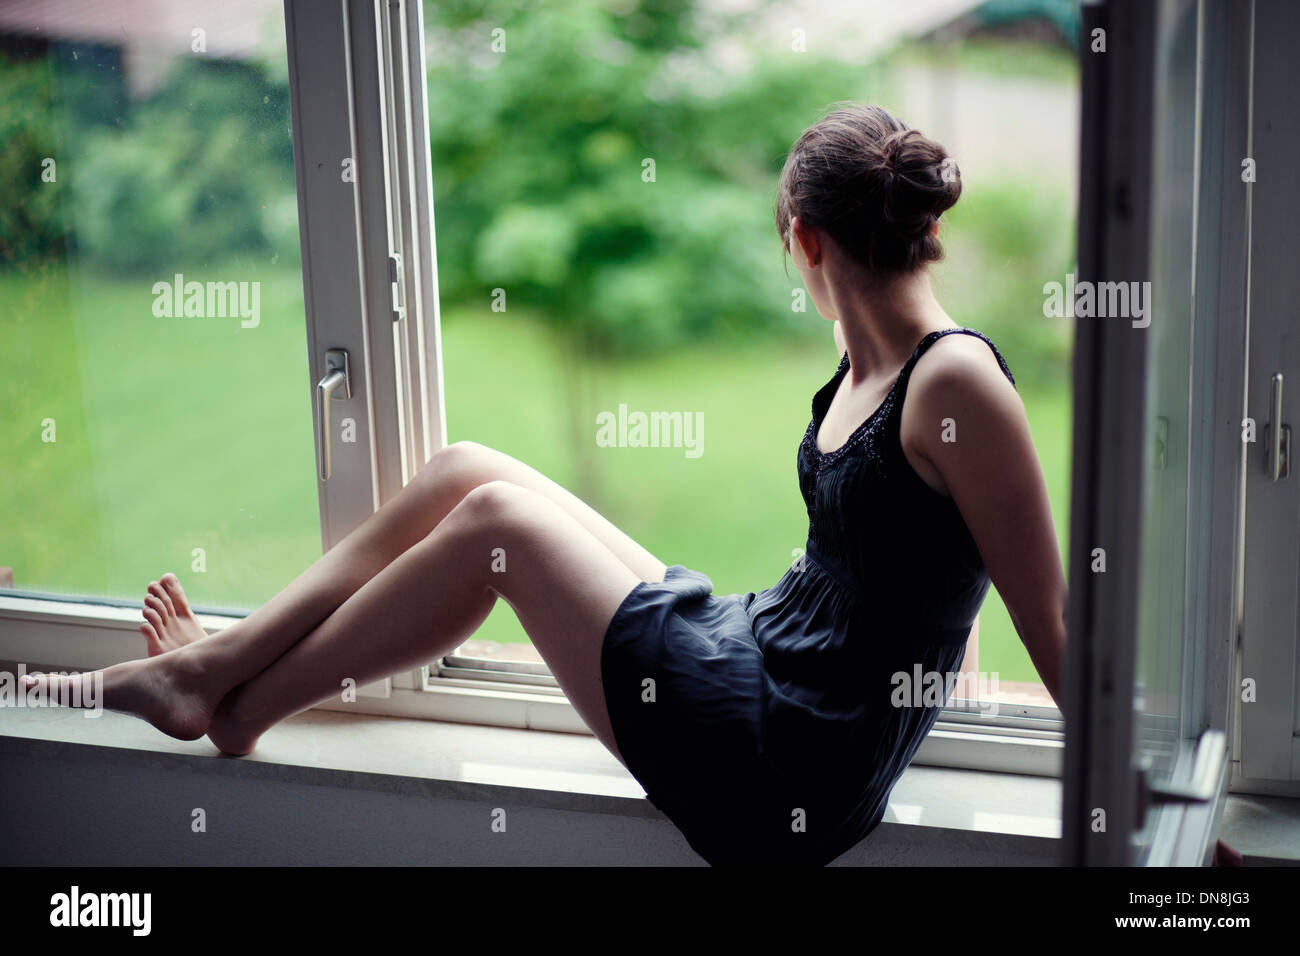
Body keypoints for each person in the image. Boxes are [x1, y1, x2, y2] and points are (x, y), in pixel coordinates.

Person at [24, 104, 1067, 867]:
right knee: (466, 467)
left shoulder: (955, 379)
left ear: (806, 241)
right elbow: (922, 553)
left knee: (496, 524)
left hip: (782, 764)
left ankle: (219, 687)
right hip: (762, 655)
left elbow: (1050, 620)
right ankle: (222, 676)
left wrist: (1141, 828)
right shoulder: (865, 355)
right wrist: (945, 660)